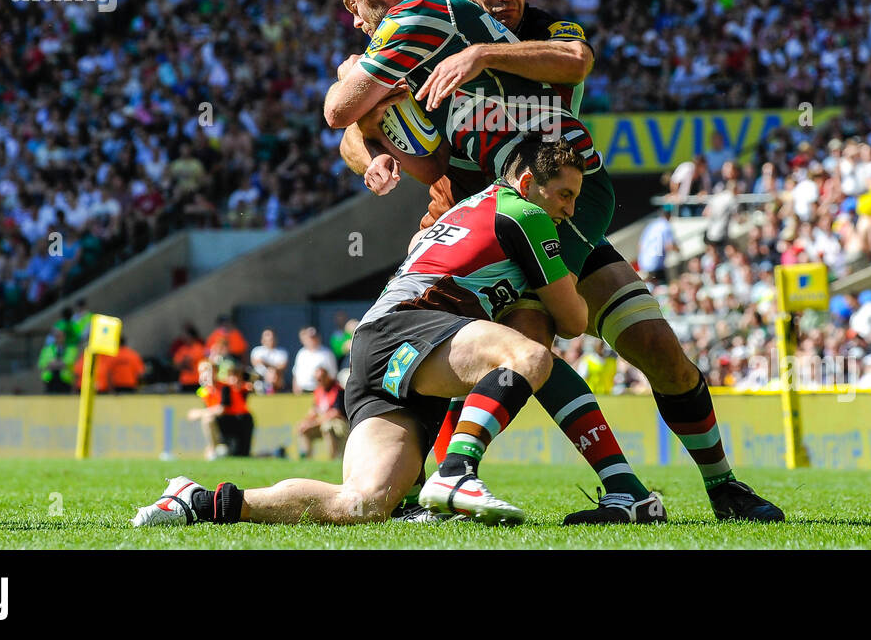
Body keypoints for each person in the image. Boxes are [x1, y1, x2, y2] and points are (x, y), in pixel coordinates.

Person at [323, 0, 783, 522]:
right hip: (481, 219)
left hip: (552, 210)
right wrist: (376, 156)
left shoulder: (542, 30)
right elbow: (351, 128)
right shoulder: (422, 48)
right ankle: (459, 483)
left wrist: (481, 55)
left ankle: (719, 488)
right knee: (522, 343)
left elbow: (576, 61)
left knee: (653, 348)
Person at [133, 139, 654, 528]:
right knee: (529, 357)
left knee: (363, 502)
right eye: (563, 194)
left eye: (574, 198)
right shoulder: (525, 214)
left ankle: (201, 501)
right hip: (409, 330)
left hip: (379, 345)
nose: (568, 208)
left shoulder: (466, 209)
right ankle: (457, 472)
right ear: (526, 183)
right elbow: (575, 321)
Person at [296, 366, 348, 459]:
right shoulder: (318, 391)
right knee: (303, 429)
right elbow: (314, 411)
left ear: (327, 376)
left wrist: (315, 423)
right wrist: (306, 422)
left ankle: (333, 458)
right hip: (322, 421)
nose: (319, 381)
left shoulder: (337, 390)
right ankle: (306, 459)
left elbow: (335, 413)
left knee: (327, 427)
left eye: (321, 378)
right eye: (317, 379)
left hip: (339, 424)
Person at [637, 205, 678, 284]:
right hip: (656, 266)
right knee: (662, 290)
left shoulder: (651, 225)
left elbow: (640, 246)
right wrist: (678, 250)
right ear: (670, 215)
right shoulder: (666, 226)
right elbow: (669, 246)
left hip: (643, 264)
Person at [291, 327, 337, 393]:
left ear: (318, 338)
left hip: (320, 391)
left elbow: (333, 374)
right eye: (309, 338)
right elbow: (295, 373)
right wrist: (295, 390)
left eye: (314, 337)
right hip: (302, 391)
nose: (312, 340)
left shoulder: (327, 353)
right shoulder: (301, 353)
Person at [38, 328, 78, 394]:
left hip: (65, 380)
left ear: (64, 337)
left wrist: (54, 364)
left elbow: (71, 363)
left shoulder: (71, 349)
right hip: (50, 380)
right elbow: (41, 363)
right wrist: (59, 364)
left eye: (60, 336)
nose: (59, 338)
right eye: (57, 336)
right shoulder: (47, 349)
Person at [250, 328, 290, 393]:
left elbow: (282, 366)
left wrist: (268, 367)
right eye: (267, 339)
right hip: (259, 379)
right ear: (262, 340)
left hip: (276, 379)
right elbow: (255, 363)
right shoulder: (257, 350)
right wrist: (271, 368)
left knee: (273, 374)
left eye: (271, 339)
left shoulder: (282, 352)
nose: (269, 341)